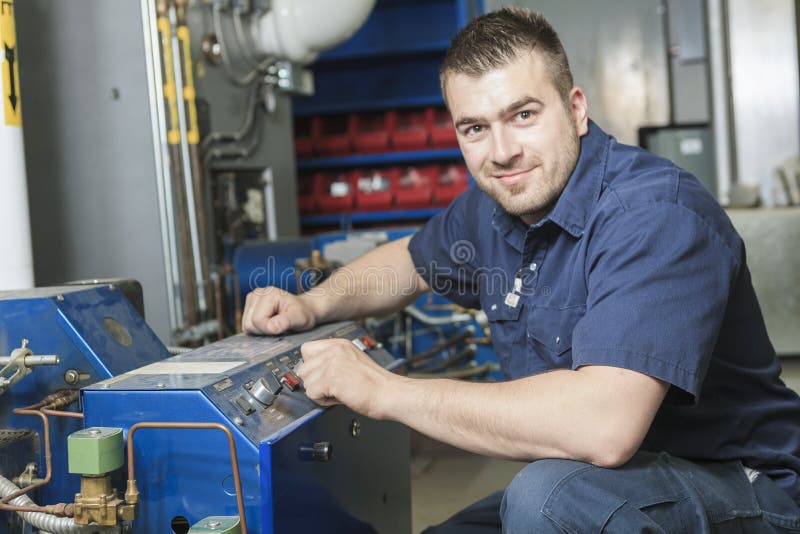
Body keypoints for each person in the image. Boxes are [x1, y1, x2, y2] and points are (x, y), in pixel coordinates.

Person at [242, 7, 800, 532]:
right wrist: (313, 304)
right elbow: (410, 262)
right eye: (475, 128)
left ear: (576, 109)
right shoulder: (495, 207)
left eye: (523, 115)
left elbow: (603, 428)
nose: (502, 151)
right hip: (614, 482)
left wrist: (383, 392)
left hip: (743, 485)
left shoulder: (655, 215)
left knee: (548, 500)